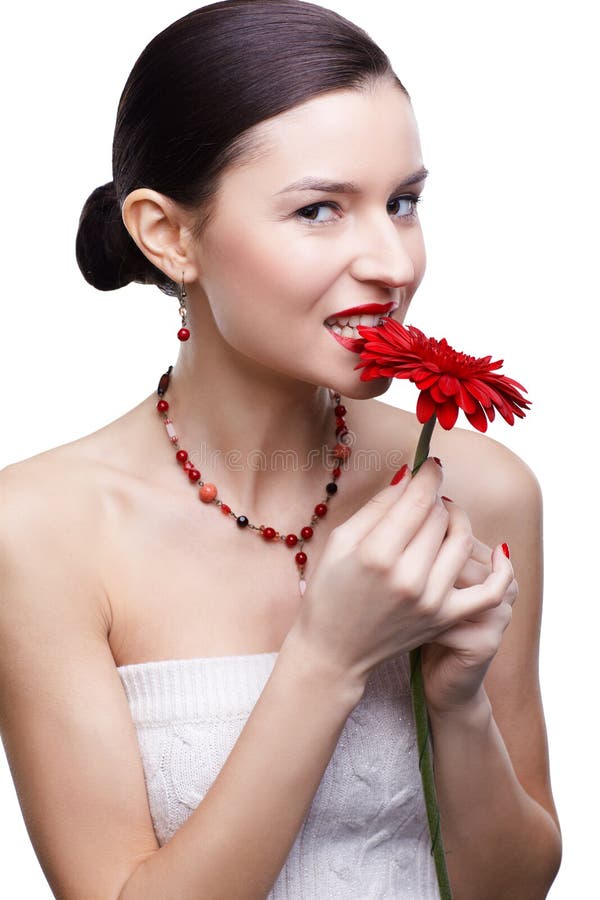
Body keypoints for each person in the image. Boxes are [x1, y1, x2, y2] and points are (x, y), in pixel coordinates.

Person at [0, 1, 562, 897]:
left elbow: (515, 888)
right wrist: (328, 658)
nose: (393, 262)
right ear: (168, 235)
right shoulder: (37, 533)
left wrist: (456, 704)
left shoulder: (482, 493)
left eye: (403, 202)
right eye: (318, 211)